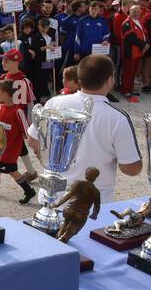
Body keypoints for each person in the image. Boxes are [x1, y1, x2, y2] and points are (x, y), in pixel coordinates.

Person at [26, 54, 142, 203]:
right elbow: (130, 169)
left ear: (79, 78)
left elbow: (32, 139)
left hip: (51, 194)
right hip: (91, 204)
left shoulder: (54, 103)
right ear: (110, 80)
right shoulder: (117, 118)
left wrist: (47, 162)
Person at [0, 80, 36, 205]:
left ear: (7, 94)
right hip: (1, 148)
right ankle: (29, 191)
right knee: (12, 172)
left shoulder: (18, 111)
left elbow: (27, 129)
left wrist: (32, 141)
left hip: (11, 150)